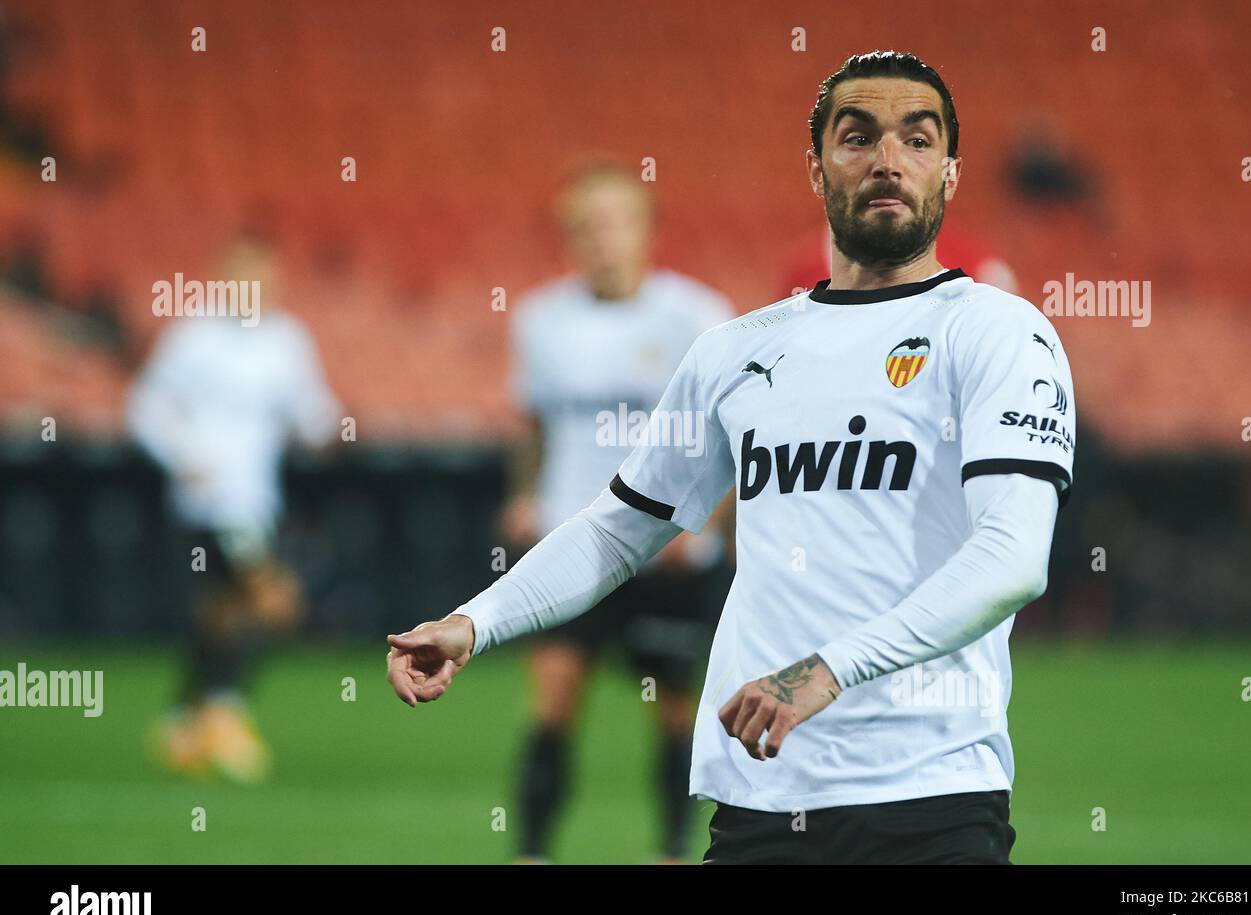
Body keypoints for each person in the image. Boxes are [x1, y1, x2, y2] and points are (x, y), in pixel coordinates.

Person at [387, 50, 1076, 864]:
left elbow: (1012, 558)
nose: (889, 160)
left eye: (918, 140)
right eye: (858, 137)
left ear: (951, 173)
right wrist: (476, 620)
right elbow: (617, 529)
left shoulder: (998, 331)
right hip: (761, 798)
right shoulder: (735, 352)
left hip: (930, 794)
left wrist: (829, 669)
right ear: (816, 168)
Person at [500, 163, 734, 862]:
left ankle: (673, 849)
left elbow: (729, 435)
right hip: (571, 539)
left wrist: (707, 522)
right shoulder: (541, 321)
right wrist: (524, 496)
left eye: (613, 222)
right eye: (584, 226)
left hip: (664, 546)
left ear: (646, 230)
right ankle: (532, 850)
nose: (599, 239)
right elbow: (533, 425)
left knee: (674, 712)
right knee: (552, 699)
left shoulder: (697, 315)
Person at [128, 236, 341, 783]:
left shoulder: (287, 340)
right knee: (275, 601)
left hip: (256, 498)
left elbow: (309, 410)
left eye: (265, 277)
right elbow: (147, 407)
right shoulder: (193, 337)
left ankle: (182, 722)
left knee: (222, 612)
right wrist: (181, 454)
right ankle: (225, 711)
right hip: (208, 499)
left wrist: (330, 429)